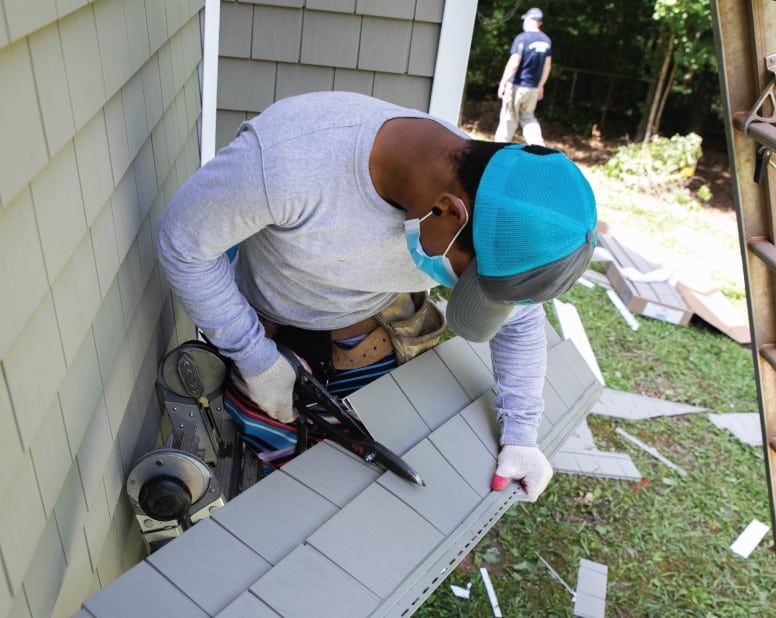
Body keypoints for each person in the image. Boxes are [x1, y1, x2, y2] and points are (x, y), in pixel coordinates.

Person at [156, 91, 597, 502]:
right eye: (463, 278)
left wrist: (521, 434)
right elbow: (184, 244)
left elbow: (519, 322)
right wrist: (254, 357)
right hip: (268, 342)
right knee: (275, 495)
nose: (459, 284)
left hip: (373, 339)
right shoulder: (286, 162)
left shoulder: (501, 206)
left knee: (363, 498)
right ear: (447, 211)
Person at [494, 7, 552, 146]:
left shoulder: (522, 38)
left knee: (508, 119)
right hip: (532, 89)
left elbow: (514, 62)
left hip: (517, 86)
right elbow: (547, 66)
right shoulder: (546, 41)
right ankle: (539, 148)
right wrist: (540, 85)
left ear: (533, 20)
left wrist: (503, 82)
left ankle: (498, 149)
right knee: (528, 118)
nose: (524, 22)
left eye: (526, 19)